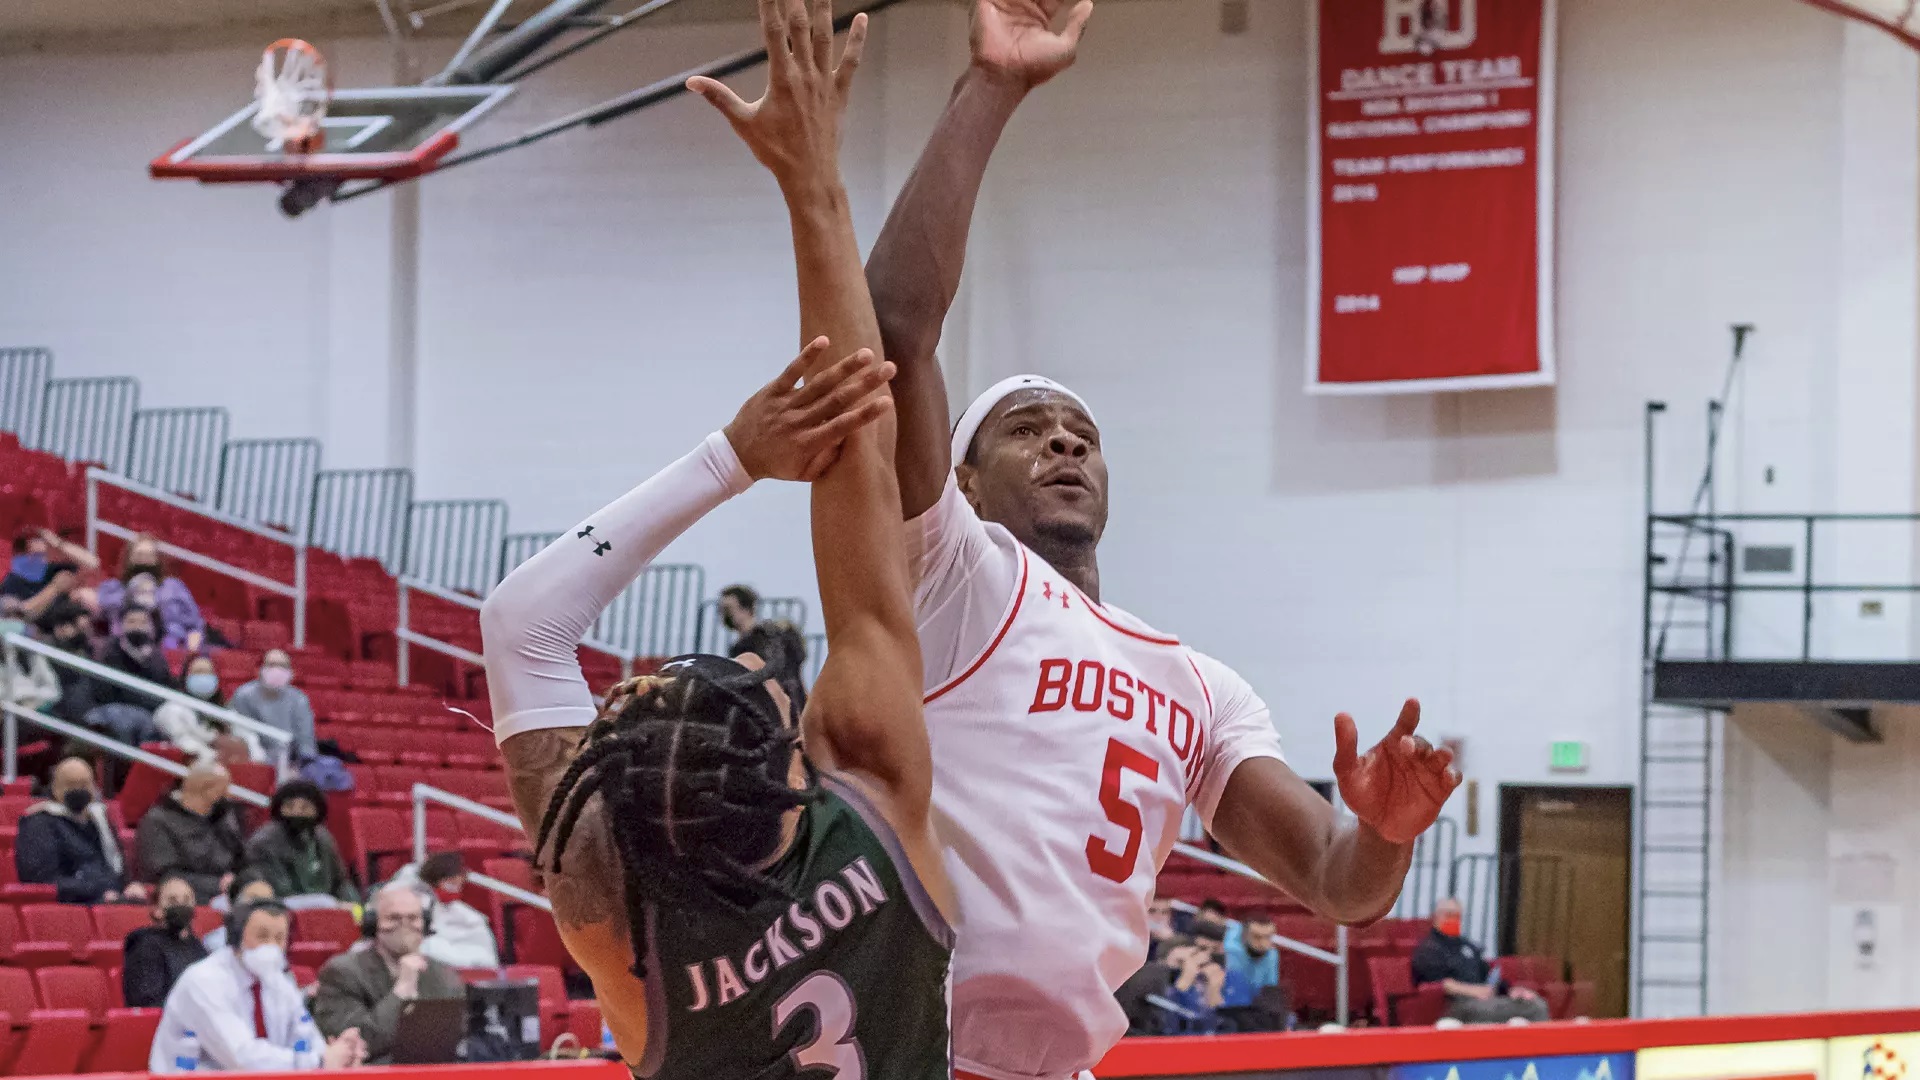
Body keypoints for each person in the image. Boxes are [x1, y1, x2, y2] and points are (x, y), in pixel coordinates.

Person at [855, 0, 1463, 1070]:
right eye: (1026, 430)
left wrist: (1386, 832)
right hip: (906, 1054)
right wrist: (992, 88)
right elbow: (896, 326)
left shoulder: (1196, 684)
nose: (1063, 446)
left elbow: (1334, 880)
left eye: (1082, 433)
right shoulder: (954, 572)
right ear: (961, 476)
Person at [482, 5, 953, 1071]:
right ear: (796, 759)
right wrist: (814, 181)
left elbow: (518, 624)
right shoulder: (875, 803)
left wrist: (731, 459)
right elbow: (854, 443)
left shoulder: (616, 926)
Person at [150, 898, 366, 1072]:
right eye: (262, 936)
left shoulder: (277, 980)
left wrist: (339, 1055)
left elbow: (304, 1036)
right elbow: (242, 1057)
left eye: (280, 938)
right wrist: (318, 1061)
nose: (272, 947)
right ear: (235, 938)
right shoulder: (203, 981)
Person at [312, 884, 465, 1065]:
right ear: (372, 923)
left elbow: (459, 1042)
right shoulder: (341, 972)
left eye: (413, 918)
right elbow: (353, 1046)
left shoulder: (444, 977)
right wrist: (401, 993)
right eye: (393, 918)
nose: (404, 925)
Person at [14, 756, 146, 904]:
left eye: (84, 785)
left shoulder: (99, 819)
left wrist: (129, 885)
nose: (78, 790)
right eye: (71, 785)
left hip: (110, 896)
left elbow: (118, 867)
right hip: (72, 902)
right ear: (55, 788)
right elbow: (43, 881)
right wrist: (98, 890)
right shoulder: (38, 823)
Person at [1410, 897, 1550, 1025]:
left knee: (1536, 1005)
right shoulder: (1428, 949)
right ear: (1436, 917)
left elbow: (1488, 975)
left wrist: (1511, 990)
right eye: (1449, 914)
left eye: (1457, 916)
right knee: (1486, 1010)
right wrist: (1475, 991)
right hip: (1457, 1003)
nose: (1454, 919)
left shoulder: (1467, 946)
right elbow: (1439, 984)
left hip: (1485, 998)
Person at [135, 762, 247, 903]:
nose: (228, 794)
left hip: (230, 895)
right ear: (205, 789)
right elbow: (164, 875)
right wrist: (217, 884)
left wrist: (238, 880)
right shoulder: (158, 820)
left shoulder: (225, 817)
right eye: (223, 789)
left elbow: (242, 860)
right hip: (185, 898)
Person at [246, 780, 359, 904]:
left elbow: (341, 882)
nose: (297, 813)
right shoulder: (264, 842)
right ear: (279, 809)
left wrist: (354, 905)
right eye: (290, 807)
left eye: (305, 807)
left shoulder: (323, 838)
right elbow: (279, 889)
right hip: (279, 907)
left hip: (325, 905)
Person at [96, 534, 207, 652]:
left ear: (157, 560)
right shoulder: (114, 588)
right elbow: (99, 608)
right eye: (139, 555)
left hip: (170, 649)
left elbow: (195, 625)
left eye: (149, 556)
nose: (144, 560)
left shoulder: (173, 587)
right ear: (129, 559)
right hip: (123, 649)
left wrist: (191, 650)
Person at [86, 604, 172, 745]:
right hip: (112, 707)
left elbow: (165, 689)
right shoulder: (109, 652)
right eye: (132, 622)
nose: (137, 626)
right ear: (121, 626)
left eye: (143, 622)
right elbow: (107, 692)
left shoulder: (157, 657)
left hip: (150, 710)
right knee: (126, 720)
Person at [155, 656, 266, 765]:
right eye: (198, 672)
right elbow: (185, 744)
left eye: (208, 673)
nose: (203, 677)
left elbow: (251, 742)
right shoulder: (171, 711)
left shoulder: (226, 712)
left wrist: (246, 751)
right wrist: (216, 748)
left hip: (232, 769)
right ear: (185, 678)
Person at [124, 873, 210, 1008]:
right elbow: (148, 1001)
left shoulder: (197, 946)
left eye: (187, 900)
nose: (181, 905)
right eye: (172, 901)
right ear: (157, 910)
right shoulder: (145, 947)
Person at [408, 852, 499, 970]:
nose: (455, 889)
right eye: (451, 883)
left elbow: (487, 958)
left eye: (459, 885)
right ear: (434, 880)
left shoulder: (470, 916)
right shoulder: (411, 908)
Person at [229, 650, 317, 763]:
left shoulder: (299, 699)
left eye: (283, 666)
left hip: (292, 758)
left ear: (291, 673)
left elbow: (305, 738)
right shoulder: (244, 695)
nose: (277, 670)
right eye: (271, 665)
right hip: (256, 757)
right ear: (260, 670)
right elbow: (244, 733)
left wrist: (304, 762)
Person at [1, 526, 97, 618]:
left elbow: (92, 563)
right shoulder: (11, 581)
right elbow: (20, 614)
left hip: (64, 622)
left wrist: (59, 544)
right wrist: (54, 589)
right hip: (37, 630)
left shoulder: (52, 570)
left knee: (87, 595)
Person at [1219, 915, 1285, 1032]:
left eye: (1268, 937)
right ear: (1244, 936)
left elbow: (1270, 990)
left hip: (1256, 1005)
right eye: (1257, 937)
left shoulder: (1272, 954)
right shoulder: (1231, 950)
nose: (1263, 943)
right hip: (1228, 1007)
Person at [0, 595, 61, 712]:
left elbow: (53, 692)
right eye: (8, 615)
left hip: (28, 713)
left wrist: (31, 703)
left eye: (18, 616)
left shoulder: (33, 652)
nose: (13, 621)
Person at [203, 871, 277, 950]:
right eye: (254, 900)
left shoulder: (279, 942)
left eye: (266, 902)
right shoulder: (214, 942)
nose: (262, 907)